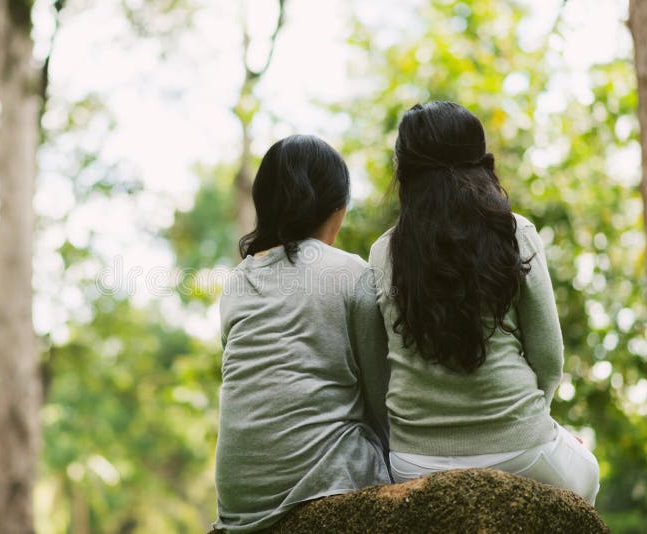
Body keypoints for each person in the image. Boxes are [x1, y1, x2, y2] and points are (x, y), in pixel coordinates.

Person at [368, 101, 600, 505]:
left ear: (404, 172)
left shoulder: (381, 253)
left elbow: (380, 371)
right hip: (522, 451)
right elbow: (549, 359)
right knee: (588, 473)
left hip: (413, 460)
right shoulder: (515, 233)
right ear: (481, 162)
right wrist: (534, 428)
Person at [214, 135, 392, 532]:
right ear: (336, 208)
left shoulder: (235, 284)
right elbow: (382, 400)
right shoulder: (351, 273)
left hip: (239, 500)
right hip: (320, 485)